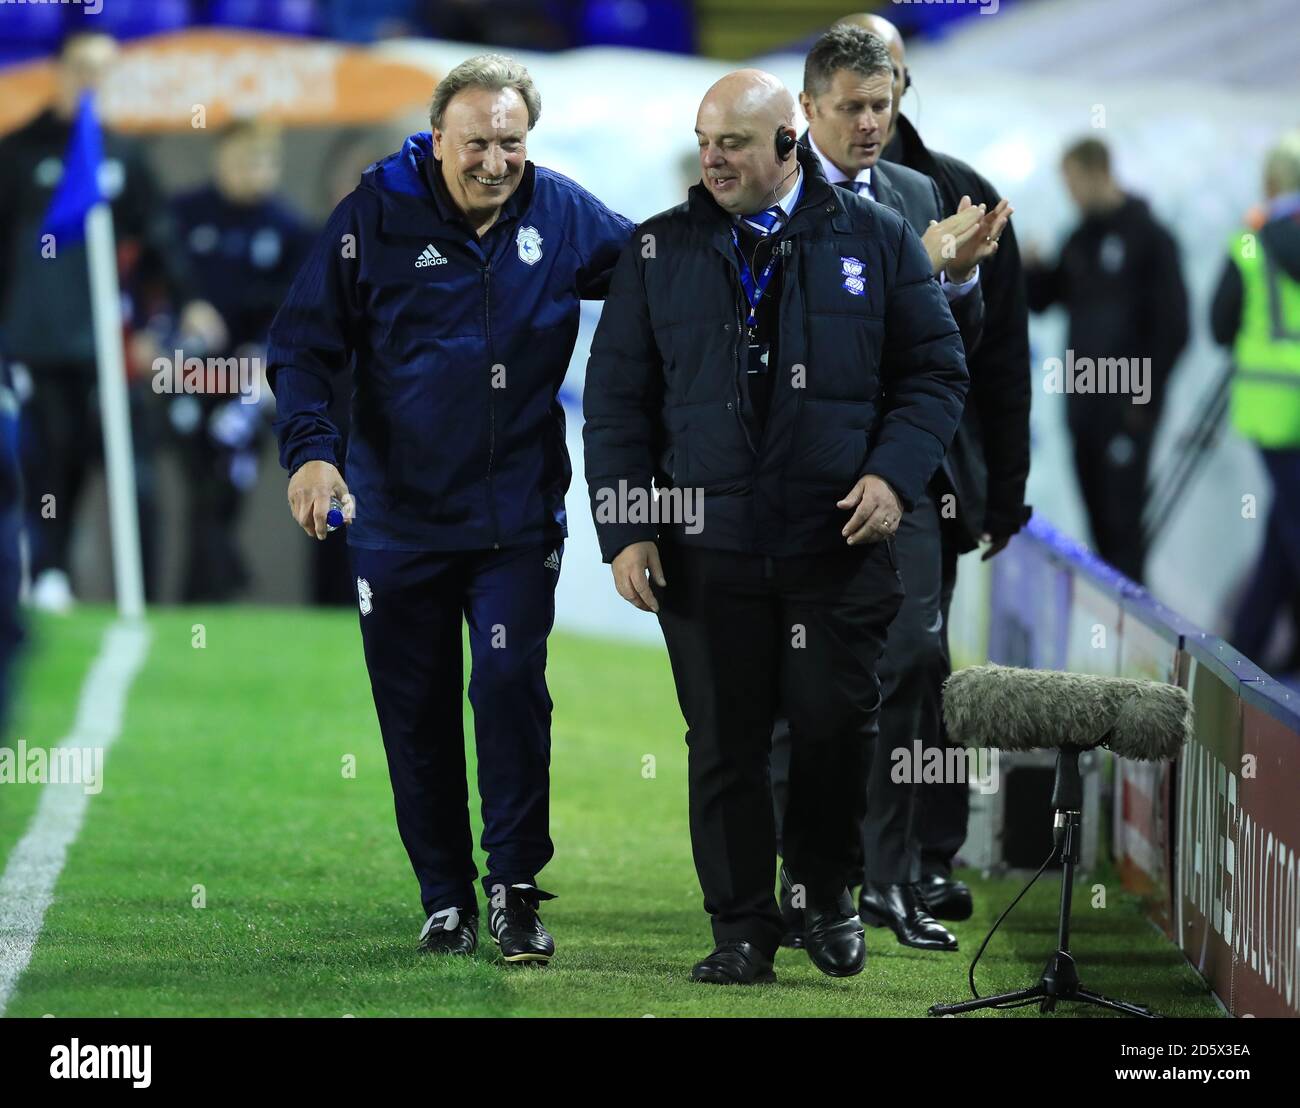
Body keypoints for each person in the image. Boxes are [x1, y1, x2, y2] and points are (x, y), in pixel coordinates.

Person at [583, 69, 968, 985]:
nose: (712, 158)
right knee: (723, 743)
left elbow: (934, 374)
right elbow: (616, 405)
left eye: (734, 143)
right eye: (705, 141)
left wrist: (892, 474)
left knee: (835, 727)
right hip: (705, 549)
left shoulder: (874, 239)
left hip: (836, 543)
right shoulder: (655, 251)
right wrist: (627, 525)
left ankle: (827, 895)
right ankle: (742, 926)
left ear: (788, 146)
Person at [267, 54, 633, 963]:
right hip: (395, 520)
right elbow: (302, 346)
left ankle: (513, 890)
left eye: (512, 141)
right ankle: (445, 898)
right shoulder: (373, 215)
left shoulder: (564, 211)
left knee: (509, 688)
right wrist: (313, 455)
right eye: (478, 142)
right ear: (438, 141)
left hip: (515, 521)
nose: (496, 160)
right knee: (416, 708)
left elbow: (665, 269)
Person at [769, 22, 1013, 954]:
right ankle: (806, 879)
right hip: (794, 481)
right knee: (797, 684)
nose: (873, 123)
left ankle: (892, 879)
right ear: (810, 109)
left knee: (911, 664)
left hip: (905, 476)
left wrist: (954, 282)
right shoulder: (770, 193)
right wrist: (921, 259)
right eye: (854, 107)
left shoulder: (920, 192)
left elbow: (958, 348)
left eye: (885, 105)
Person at [835, 10, 1034, 937]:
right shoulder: (787, 183)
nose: (875, 100)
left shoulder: (951, 190)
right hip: (817, 472)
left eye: (889, 80)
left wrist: (1005, 483)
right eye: (857, 86)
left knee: (919, 659)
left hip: (929, 475)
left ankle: (925, 856)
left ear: (907, 82)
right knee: (836, 669)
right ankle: (837, 868)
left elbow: (998, 359)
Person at [0, 32, 223, 612]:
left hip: (110, 349)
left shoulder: (124, 155)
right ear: (59, 72)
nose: (93, 83)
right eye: (83, 70)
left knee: (135, 472)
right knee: (48, 469)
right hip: (36, 347)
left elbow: (161, 242)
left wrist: (186, 302)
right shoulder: (18, 151)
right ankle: (48, 574)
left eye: (106, 72)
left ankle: (142, 593)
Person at [1024, 136, 1187, 585]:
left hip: (1125, 412)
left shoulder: (1150, 239)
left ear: (1099, 173)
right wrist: (1032, 269)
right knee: (1099, 527)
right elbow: (1046, 299)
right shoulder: (1080, 237)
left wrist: (1143, 399)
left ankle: (1138, 646)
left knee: (1123, 530)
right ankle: (1114, 643)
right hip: (1083, 409)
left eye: (1073, 183)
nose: (1070, 194)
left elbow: (1175, 329)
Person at [170, 120, 313, 602]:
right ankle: (217, 577)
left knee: (226, 479)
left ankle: (209, 586)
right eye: (244, 159)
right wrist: (182, 311)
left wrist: (267, 354)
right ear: (220, 158)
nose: (255, 170)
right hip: (184, 370)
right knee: (199, 476)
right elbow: (156, 279)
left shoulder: (290, 228)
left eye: (264, 160)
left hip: (251, 379)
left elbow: (297, 308)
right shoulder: (185, 216)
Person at [1213, 131, 1300, 671]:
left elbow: (1219, 324)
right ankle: (1248, 643)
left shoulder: (1250, 240)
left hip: (1271, 411)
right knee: (1286, 523)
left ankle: (1244, 648)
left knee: (1290, 527)